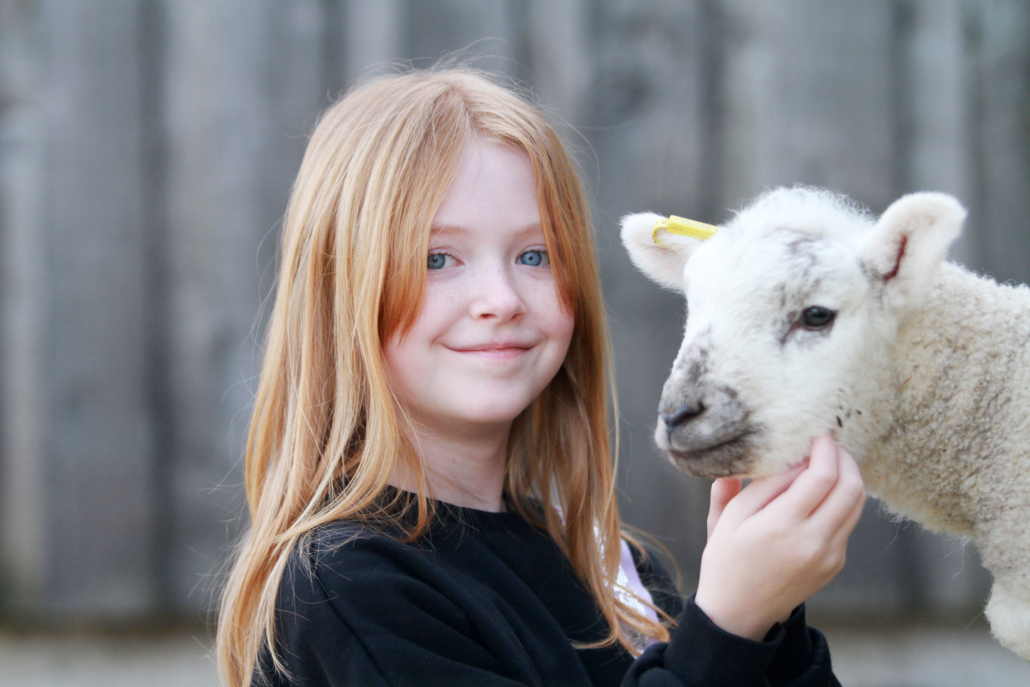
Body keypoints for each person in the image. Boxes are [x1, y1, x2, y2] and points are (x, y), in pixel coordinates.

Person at [215, 67, 866, 687]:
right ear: (340, 289)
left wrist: (768, 613)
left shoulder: (612, 566)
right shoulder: (346, 587)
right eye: (438, 257)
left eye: (534, 254)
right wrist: (727, 624)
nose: (500, 296)